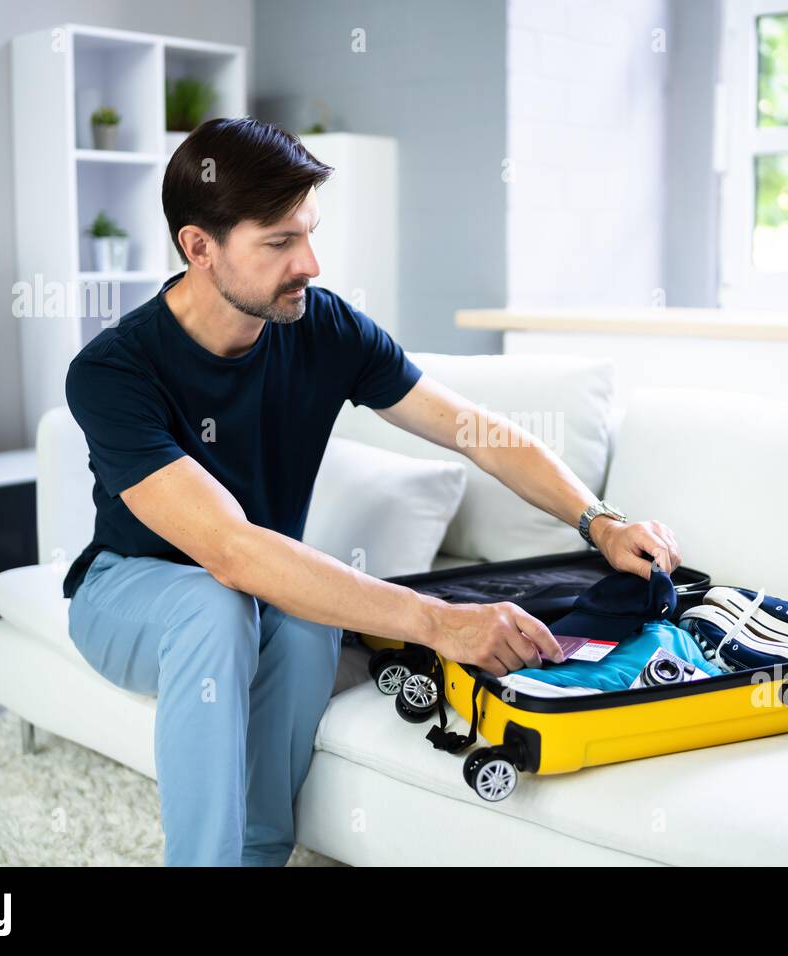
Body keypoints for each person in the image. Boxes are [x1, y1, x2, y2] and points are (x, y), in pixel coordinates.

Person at [62, 117, 682, 866]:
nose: (310, 263)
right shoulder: (113, 371)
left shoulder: (321, 326)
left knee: (308, 619)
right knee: (214, 604)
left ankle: (258, 855)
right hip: (128, 591)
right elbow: (231, 552)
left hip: (255, 590)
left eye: (310, 233)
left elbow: (475, 430)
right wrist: (441, 623)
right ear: (199, 247)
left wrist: (601, 522)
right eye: (280, 242)